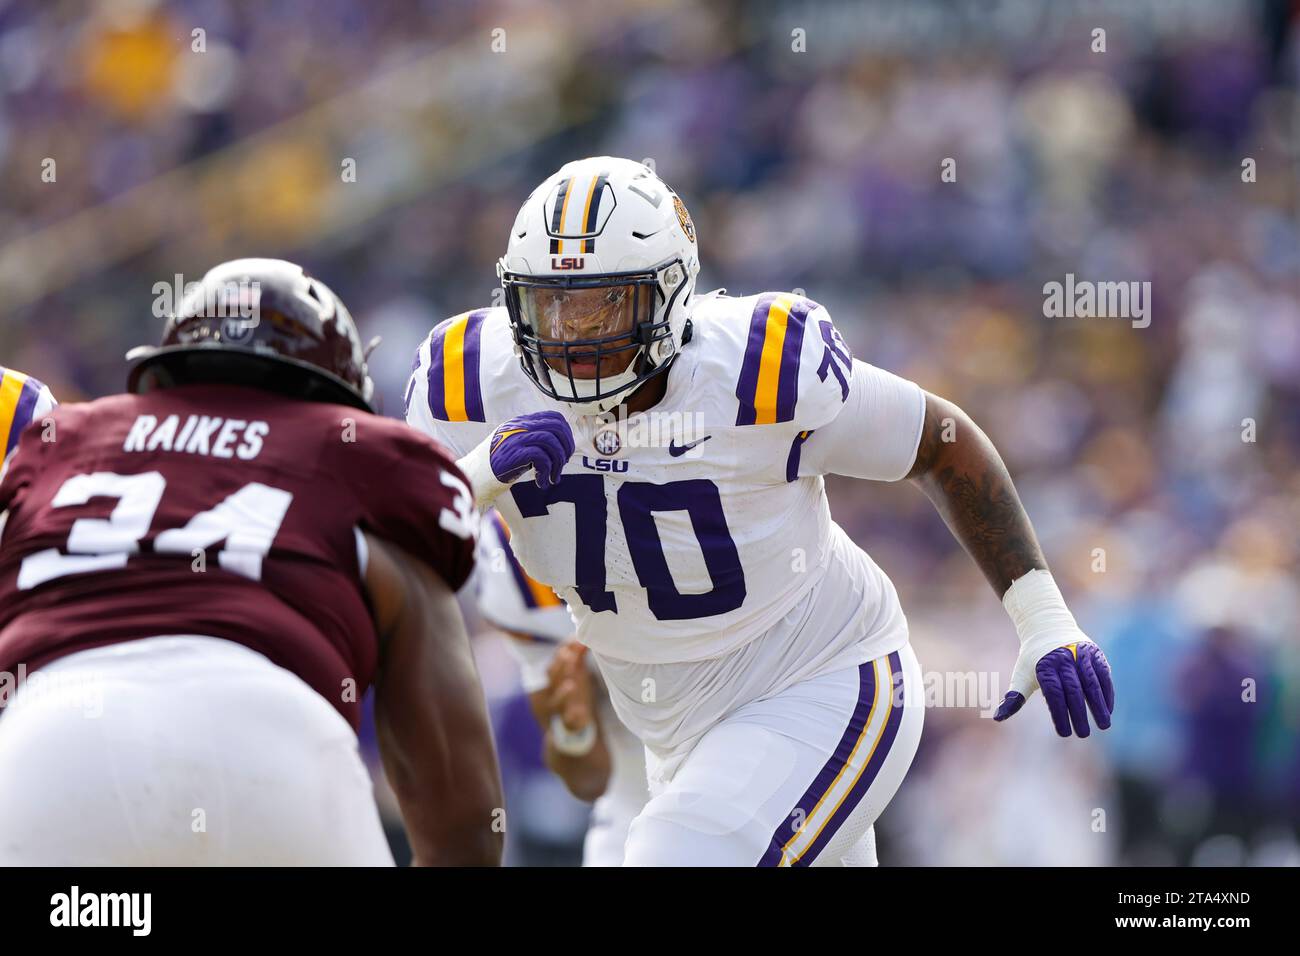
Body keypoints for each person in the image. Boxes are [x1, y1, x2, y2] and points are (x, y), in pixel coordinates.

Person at [406, 158, 1114, 866]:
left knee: (668, 852)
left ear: (670, 292)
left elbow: (940, 442)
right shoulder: (473, 384)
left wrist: (1042, 616)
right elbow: (396, 544)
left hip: (826, 679)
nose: (572, 334)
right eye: (549, 304)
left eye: (603, 305)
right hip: (677, 739)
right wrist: (474, 476)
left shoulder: (754, 369)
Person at [0, 259, 502, 866]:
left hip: (47, 752)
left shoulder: (64, 440)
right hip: (273, 751)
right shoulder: (371, 458)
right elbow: (465, 825)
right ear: (338, 397)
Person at [475, 509, 647, 865]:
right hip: (636, 811)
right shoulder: (511, 563)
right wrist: (574, 728)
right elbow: (587, 781)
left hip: (758, 768)